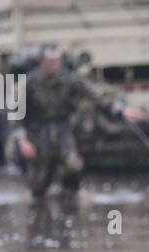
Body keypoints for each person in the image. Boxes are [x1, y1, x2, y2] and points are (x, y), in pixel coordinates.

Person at [11, 45, 141, 198]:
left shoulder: (69, 80)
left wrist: (119, 110)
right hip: (39, 133)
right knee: (39, 183)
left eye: (57, 61)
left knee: (73, 167)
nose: (54, 65)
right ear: (41, 62)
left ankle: (69, 198)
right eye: (50, 61)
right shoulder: (30, 83)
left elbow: (95, 96)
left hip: (63, 131)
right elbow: (16, 114)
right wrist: (22, 140)